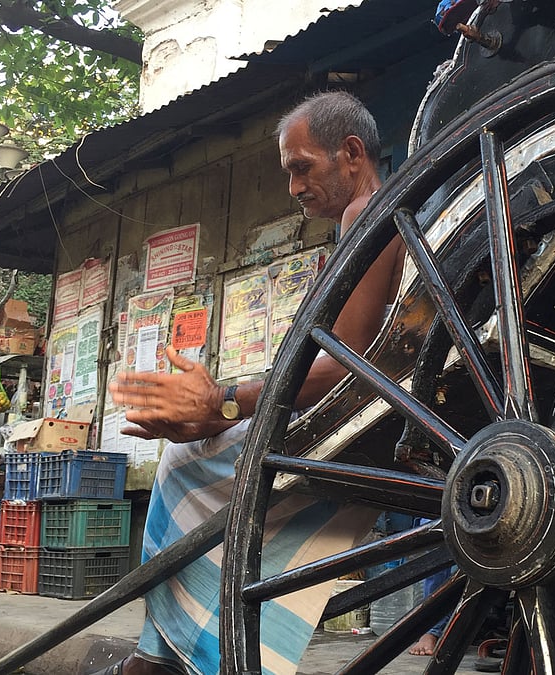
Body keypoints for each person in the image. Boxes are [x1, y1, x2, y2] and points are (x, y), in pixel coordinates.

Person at [105, 91, 404, 675]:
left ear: (351, 153)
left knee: (184, 461)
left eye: (302, 168)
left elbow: (349, 368)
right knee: (195, 450)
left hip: (359, 416)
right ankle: (162, 655)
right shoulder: (387, 212)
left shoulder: (368, 211)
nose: (294, 187)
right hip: (372, 412)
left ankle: (170, 656)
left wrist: (222, 400)